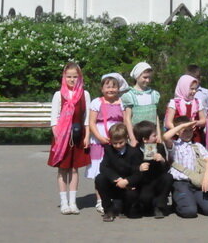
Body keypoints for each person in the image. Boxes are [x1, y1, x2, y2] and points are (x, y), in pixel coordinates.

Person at [48, 62, 90, 215]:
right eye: (69, 77)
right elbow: (54, 119)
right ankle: (63, 202)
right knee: (62, 169)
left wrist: (87, 135)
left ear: (80, 78)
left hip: (78, 135)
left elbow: (86, 118)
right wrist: (58, 137)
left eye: (75, 77)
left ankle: (73, 202)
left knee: (74, 169)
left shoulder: (84, 94)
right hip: (62, 137)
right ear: (64, 77)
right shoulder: (58, 95)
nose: (72, 80)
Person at [164, 116, 208, 218]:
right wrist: (183, 125)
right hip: (181, 183)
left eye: (190, 130)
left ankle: (193, 201)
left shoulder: (197, 146)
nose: (188, 133)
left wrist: (206, 177)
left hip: (198, 182)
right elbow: (165, 137)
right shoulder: (175, 145)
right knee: (189, 212)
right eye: (185, 131)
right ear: (177, 132)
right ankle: (181, 203)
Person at [87, 73, 126, 214]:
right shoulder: (97, 102)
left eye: (114, 87)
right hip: (100, 140)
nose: (111, 89)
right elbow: (91, 122)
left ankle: (117, 198)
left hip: (118, 139)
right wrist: (99, 136)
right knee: (100, 170)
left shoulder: (122, 102)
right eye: (108, 87)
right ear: (102, 88)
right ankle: (100, 200)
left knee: (117, 168)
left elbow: (126, 120)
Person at [94, 124, 142, 222]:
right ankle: (108, 210)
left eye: (121, 142)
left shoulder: (134, 152)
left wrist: (127, 181)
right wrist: (116, 178)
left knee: (132, 212)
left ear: (126, 138)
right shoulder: (109, 150)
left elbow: (138, 173)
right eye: (114, 143)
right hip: (115, 183)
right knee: (100, 178)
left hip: (129, 185)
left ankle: (126, 208)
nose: (118, 146)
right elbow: (103, 167)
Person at [128, 120, 172, 218]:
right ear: (145, 139)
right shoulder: (134, 151)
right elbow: (130, 170)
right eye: (154, 136)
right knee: (146, 201)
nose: (157, 138)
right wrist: (139, 168)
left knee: (168, 177)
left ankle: (159, 207)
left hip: (157, 180)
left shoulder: (159, 147)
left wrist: (162, 160)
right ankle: (141, 206)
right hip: (143, 183)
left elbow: (166, 168)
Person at [122, 62, 161, 146]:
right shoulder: (130, 96)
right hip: (137, 136)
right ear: (137, 77)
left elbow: (155, 116)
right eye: (145, 77)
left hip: (151, 137)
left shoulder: (154, 94)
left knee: (151, 157)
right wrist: (132, 138)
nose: (147, 80)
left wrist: (158, 134)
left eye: (149, 78)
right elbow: (127, 118)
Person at [164, 74, 206, 144]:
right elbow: (168, 123)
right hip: (177, 137)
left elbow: (203, 120)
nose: (194, 91)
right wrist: (178, 130)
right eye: (192, 89)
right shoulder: (174, 103)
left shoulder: (197, 102)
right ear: (184, 88)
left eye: (195, 89)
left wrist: (196, 123)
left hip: (193, 136)